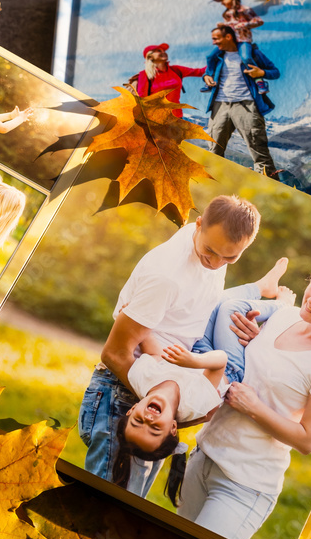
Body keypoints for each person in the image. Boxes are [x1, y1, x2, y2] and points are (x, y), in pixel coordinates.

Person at [173, 260, 311, 539]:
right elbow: (253, 366)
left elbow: (308, 440)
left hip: (244, 485)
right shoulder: (284, 317)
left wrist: (253, 407)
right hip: (204, 455)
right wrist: (248, 340)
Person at [77, 195, 264, 495]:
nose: (215, 262)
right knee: (104, 504)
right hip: (124, 394)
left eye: (229, 257)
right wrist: (166, 401)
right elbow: (114, 353)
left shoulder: (212, 243)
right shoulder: (166, 276)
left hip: (162, 396)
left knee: (131, 506)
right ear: (198, 224)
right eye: (210, 252)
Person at [202, 25, 280, 176]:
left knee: (259, 151)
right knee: (214, 149)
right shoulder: (217, 57)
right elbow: (208, 73)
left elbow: (275, 72)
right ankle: (214, 185)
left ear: (228, 37)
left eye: (216, 39)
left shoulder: (252, 54)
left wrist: (261, 72)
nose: (213, 43)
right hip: (220, 105)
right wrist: (206, 77)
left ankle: (271, 191)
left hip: (246, 105)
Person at [211, 0, 267, 94]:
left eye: (223, 0)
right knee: (211, 56)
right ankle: (210, 79)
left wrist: (245, 24)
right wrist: (223, 26)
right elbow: (229, 27)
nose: (222, 3)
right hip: (229, 42)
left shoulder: (244, 9)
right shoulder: (227, 13)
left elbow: (258, 21)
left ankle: (259, 81)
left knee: (246, 57)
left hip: (242, 40)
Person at [128, 43, 205, 118]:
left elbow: (200, 72)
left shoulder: (176, 70)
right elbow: (142, 100)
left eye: (164, 51)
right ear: (150, 57)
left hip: (177, 118)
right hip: (157, 120)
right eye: (159, 51)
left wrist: (215, 56)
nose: (163, 52)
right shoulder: (145, 75)